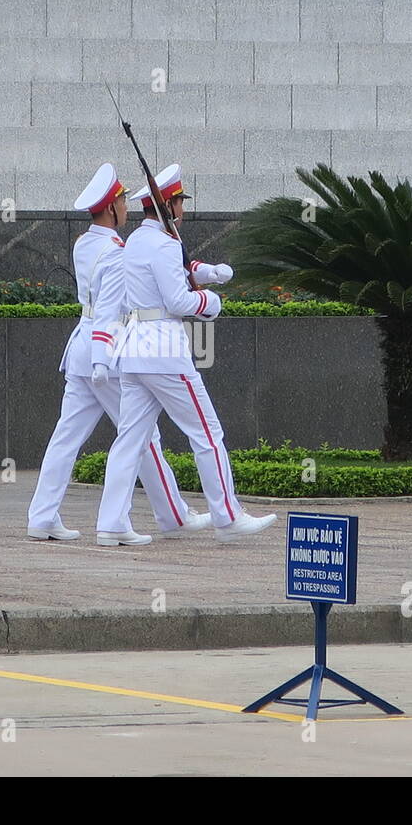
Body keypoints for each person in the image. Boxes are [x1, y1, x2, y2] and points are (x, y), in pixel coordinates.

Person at [28, 162, 211, 546]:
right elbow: (113, 308)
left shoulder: (84, 244)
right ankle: (172, 515)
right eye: (123, 201)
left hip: (81, 348)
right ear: (112, 209)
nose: (127, 207)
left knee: (67, 438)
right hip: (106, 355)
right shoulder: (116, 253)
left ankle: (42, 516)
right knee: (142, 438)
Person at [95, 164, 277, 544]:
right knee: (207, 433)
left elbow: (176, 274)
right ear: (169, 206)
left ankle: (111, 524)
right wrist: (212, 302)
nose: (183, 209)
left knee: (130, 440)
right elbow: (178, 298)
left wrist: (208, 273)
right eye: (179, 202)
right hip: (164, 351)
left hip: (134, 350)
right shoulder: (164, 243)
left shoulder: (136, 242)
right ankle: (227, 516)